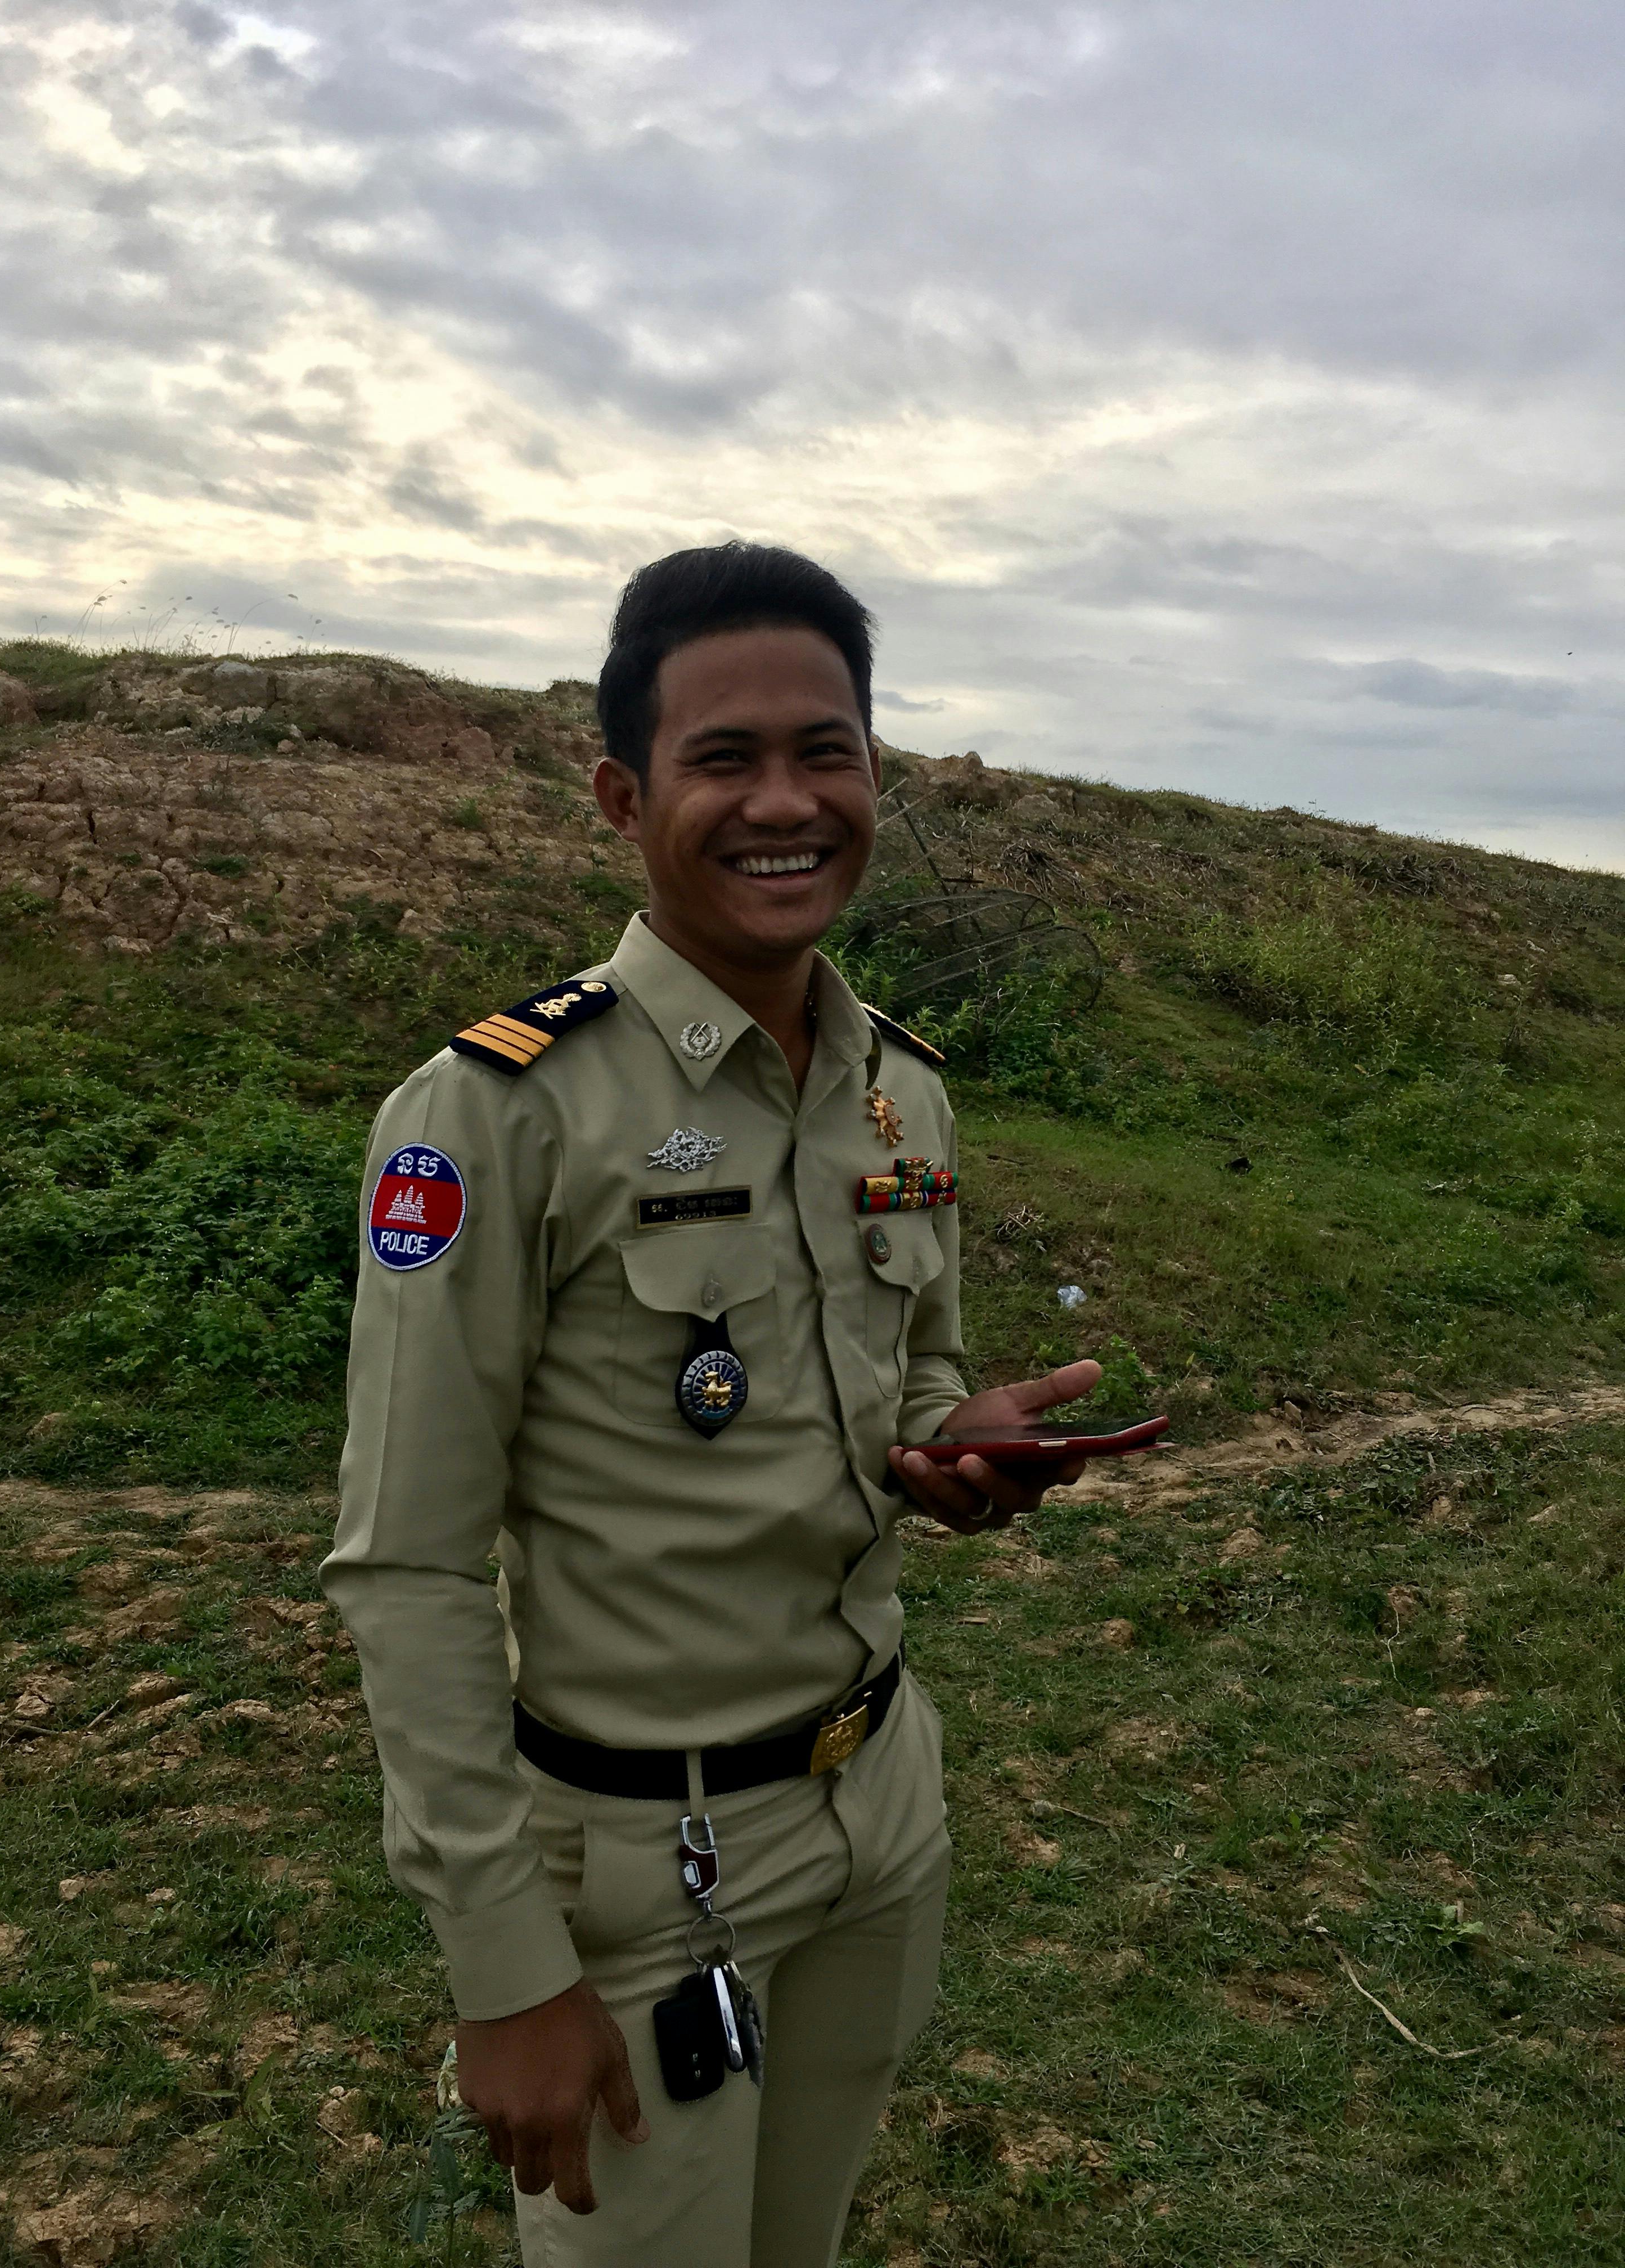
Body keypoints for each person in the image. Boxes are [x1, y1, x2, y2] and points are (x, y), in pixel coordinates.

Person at [323, 542, 1101, 2267]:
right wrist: (507, 1968)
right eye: (725, 759)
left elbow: (911, 1381)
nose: (785, 802)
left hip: (882, 1803)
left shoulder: (900, 1090)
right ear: (623, 795)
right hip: (648, 1865)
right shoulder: (495, 1117)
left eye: (827, 753)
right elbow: (410, 1567)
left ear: (875, 777)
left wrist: (955, 1448)